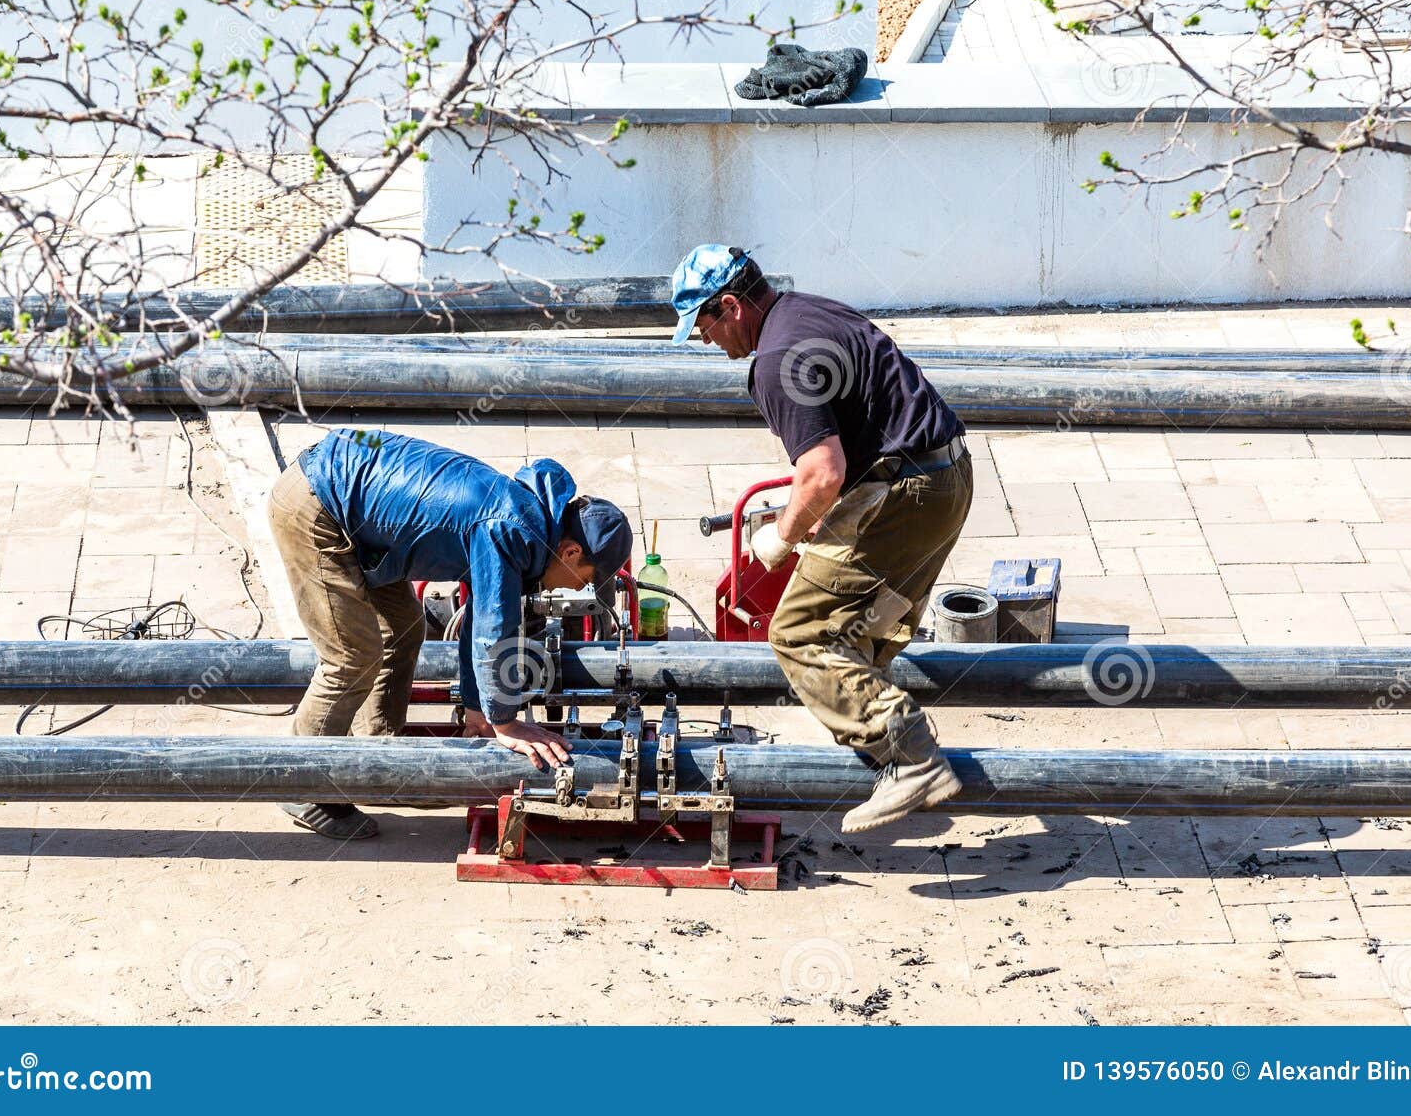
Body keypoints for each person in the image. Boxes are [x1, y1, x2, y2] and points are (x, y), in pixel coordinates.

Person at [671, 244, 973, 833]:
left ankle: (913, 758)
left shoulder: (774, 360)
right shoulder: (809, 311)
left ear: (730, 306)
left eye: (702, 324)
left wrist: (779, 538)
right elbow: (860, 426)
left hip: (904, 495)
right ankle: (888, 762)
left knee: (800, 632)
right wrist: (813, 510)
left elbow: (822, 473)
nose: (704, 339)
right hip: (946, 480)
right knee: (864, 629)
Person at [269, 428, 633, 840]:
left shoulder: (529, 519)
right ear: (570, 552)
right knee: (352, 656)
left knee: (403, 629)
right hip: (319, 505)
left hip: (357, 500)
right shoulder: (511, 528)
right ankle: (298, 782)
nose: (574, 589)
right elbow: (493, 632)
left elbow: (480, 617)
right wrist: (506, 724)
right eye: (584, 579)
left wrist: (480, 710)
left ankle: (375, 749)